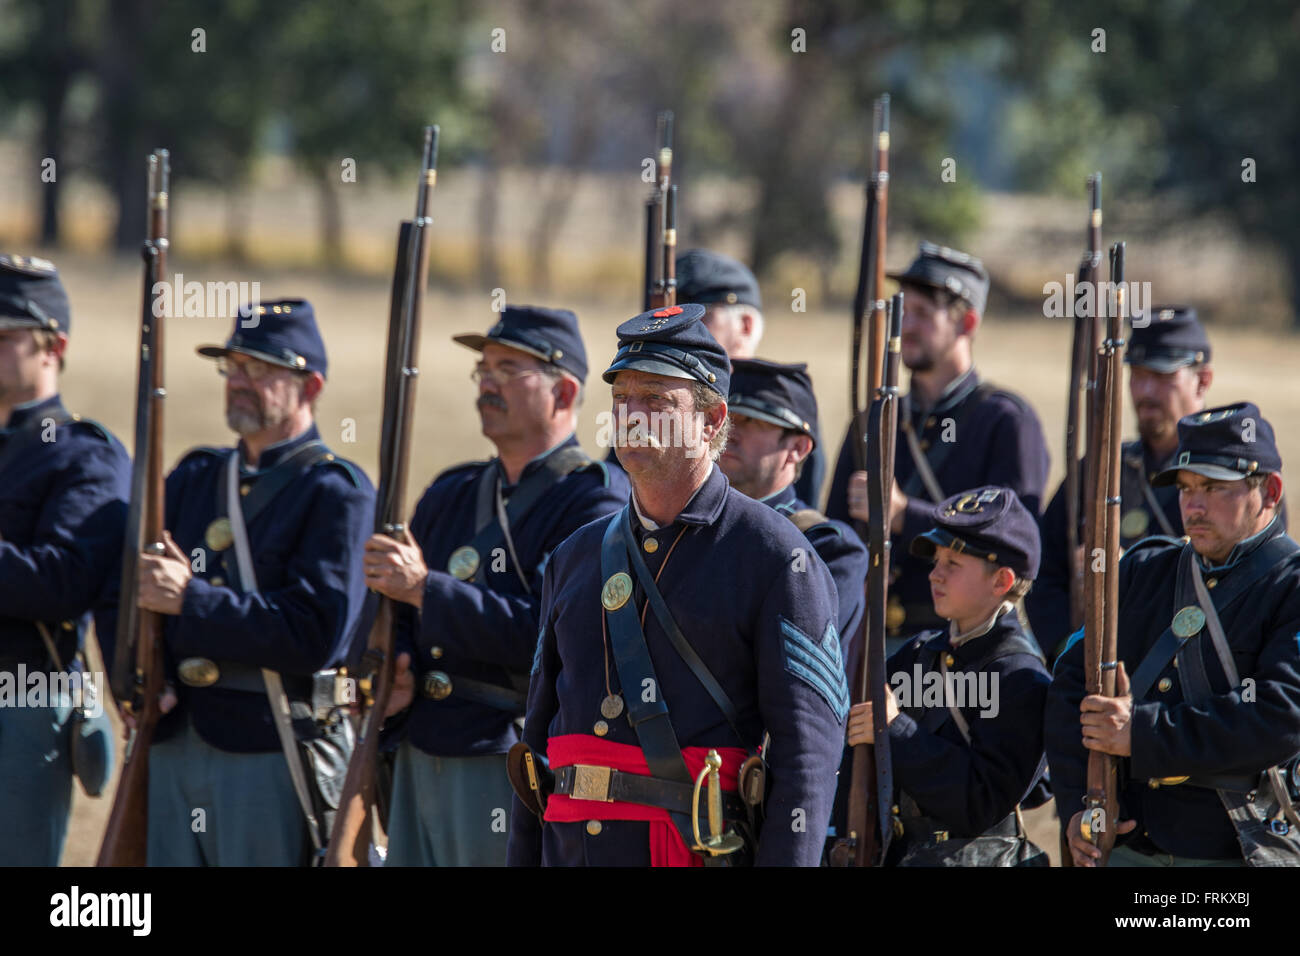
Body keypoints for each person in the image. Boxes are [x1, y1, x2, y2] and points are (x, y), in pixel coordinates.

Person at [508, 303, 846, 866]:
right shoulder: (575, 556)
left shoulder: (776, 557)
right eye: (622, 401)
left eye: (657, 402)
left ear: (713, 421)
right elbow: (537, 750)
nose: (632, 416)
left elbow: (807, 758)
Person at [362, 305, 628, 866]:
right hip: (419, 747)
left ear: (564, 392)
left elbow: (553, 632)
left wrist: (428, 591)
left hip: (506, 754)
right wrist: (400, 664)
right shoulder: (450, 492)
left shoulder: (594, 499)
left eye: (510, 369)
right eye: (484, 369)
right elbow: (396, 611)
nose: (488, 382)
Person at [114, 298, 375, 866]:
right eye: (233, 367)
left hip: (268, 744)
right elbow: (131, 590)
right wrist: (134, 679)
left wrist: (193, 599)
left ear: (310, 386)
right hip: (177, 738)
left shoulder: (336, 491)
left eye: (261, 370)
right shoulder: (195, 474)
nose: (240, 382)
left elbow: (315, 635)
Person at [1046, 402, 1300, 867]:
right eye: (1185, 489)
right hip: (1131, 845)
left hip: (1238, 847)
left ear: (1271, 490)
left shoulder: (1291, 585)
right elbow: (1069, 684)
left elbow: (1281, 711)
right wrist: (1076, 804)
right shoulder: (1146, 570)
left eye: (1213, 488)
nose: (1194, 506)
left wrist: (1143, 734)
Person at [826, 241, 1050, 649]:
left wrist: (903, 516)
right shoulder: (873, 420)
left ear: (966, 323)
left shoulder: (1005, 421)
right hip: (869, 642)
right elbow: (834, 536)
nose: (906, 326)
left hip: (963, 644)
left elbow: (1017, 546)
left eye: (924, 315)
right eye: (903, 312)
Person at [0, 254, 129, 866]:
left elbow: (60, 581)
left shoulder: (82, 454)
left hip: (21, 699)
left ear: (55, 345)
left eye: (5, 336)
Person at [844, 486, 1051, 865]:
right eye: (936, 561)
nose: (934, 575)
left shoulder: (1022, 681)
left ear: (1001, 581)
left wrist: (893, 728)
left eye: (952, 564)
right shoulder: (918, 654)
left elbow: (978, 801)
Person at [1029, 305, 1213, 657]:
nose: (1144, 391)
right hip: (1091, 665)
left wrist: (1129, 570)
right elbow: (1045, 566)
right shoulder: (1099, 468)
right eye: (1137, 374)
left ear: (1202, 380)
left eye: (1162, 377)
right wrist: (1066, 649)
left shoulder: (1234, 478)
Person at [720, 357, 867, 643]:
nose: (730, 433)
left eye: (751, 421)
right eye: (726, 419)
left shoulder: (829, 549)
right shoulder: (688, 526)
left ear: (798, 447)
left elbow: (799, 647)